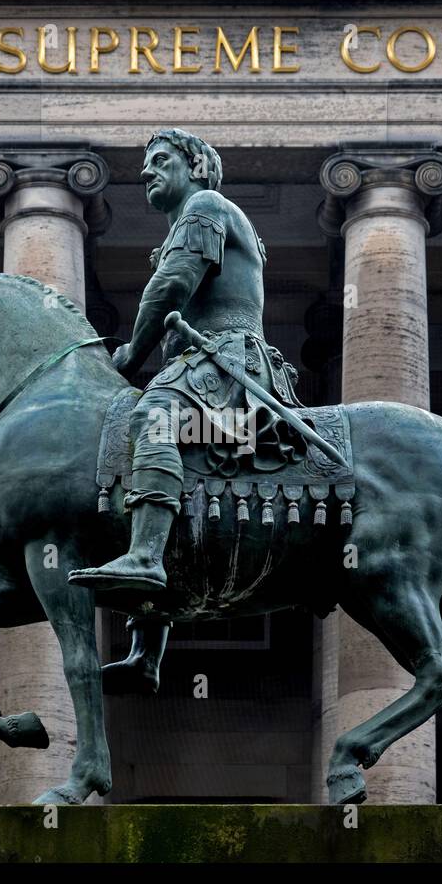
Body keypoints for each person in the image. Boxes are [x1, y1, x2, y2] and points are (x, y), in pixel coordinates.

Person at [68, 128, 303, 595]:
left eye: (160, 161)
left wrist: (132, 355)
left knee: (152, 418)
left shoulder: (207, 207)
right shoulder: (193, 220)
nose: (146, 171)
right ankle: (146, 649)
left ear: (195, 167)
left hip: (227, 360)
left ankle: (145, 557)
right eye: (146, 165)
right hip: (207, 362)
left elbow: (170, 287)